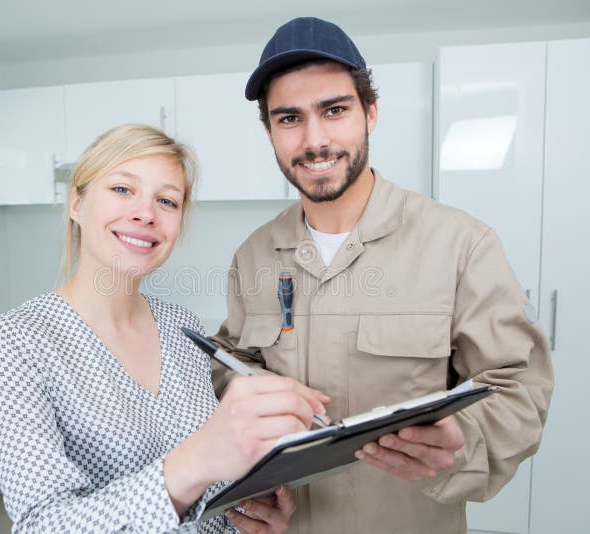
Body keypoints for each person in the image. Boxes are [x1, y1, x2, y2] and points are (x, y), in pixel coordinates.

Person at [211, 17, 554, 534]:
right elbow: (232, 363)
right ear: (270, 133)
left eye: (334, 110)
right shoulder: (254, 255)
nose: (315, 139)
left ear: (370, 112)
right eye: (289, 119)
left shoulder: (461, 245)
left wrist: (461, 441)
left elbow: (519, 385)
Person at [0, 124, 331, 533]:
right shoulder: (14, 342)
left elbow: (209, 487)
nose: (145, 213)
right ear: (77, 202)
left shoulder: (183, 327)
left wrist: (247, 514)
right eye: (123, 190)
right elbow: (41, 526)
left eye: (166, 200)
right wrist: (197, 458)